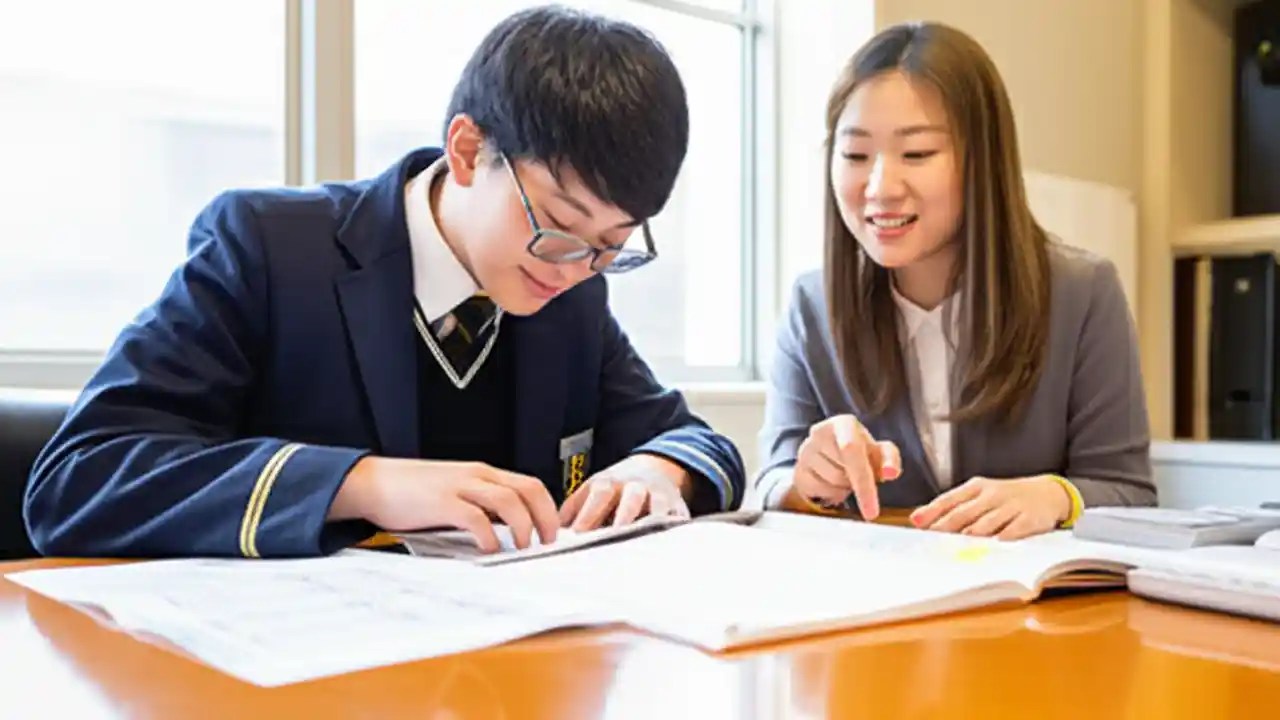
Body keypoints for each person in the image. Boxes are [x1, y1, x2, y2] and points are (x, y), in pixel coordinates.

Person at [24, 5, 744, 559]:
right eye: (558, 224)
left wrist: (659, 470)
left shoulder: (571, 290)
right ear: (469, 150)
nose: (575, 267)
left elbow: (692, 440)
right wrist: (360, 483)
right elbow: (78, 480)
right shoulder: (270, 249)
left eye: (611, 245)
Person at [755, 21, 1154, 540]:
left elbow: (1130, 492)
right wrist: (807, 483)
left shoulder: (1083, 292)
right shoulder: (812, 306)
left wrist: (1055, 496)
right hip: (880, 587)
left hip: (1027, 592)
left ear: (983, 161)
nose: (880, 187)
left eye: (917, 153)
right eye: (854, 155)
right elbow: (773, 482)